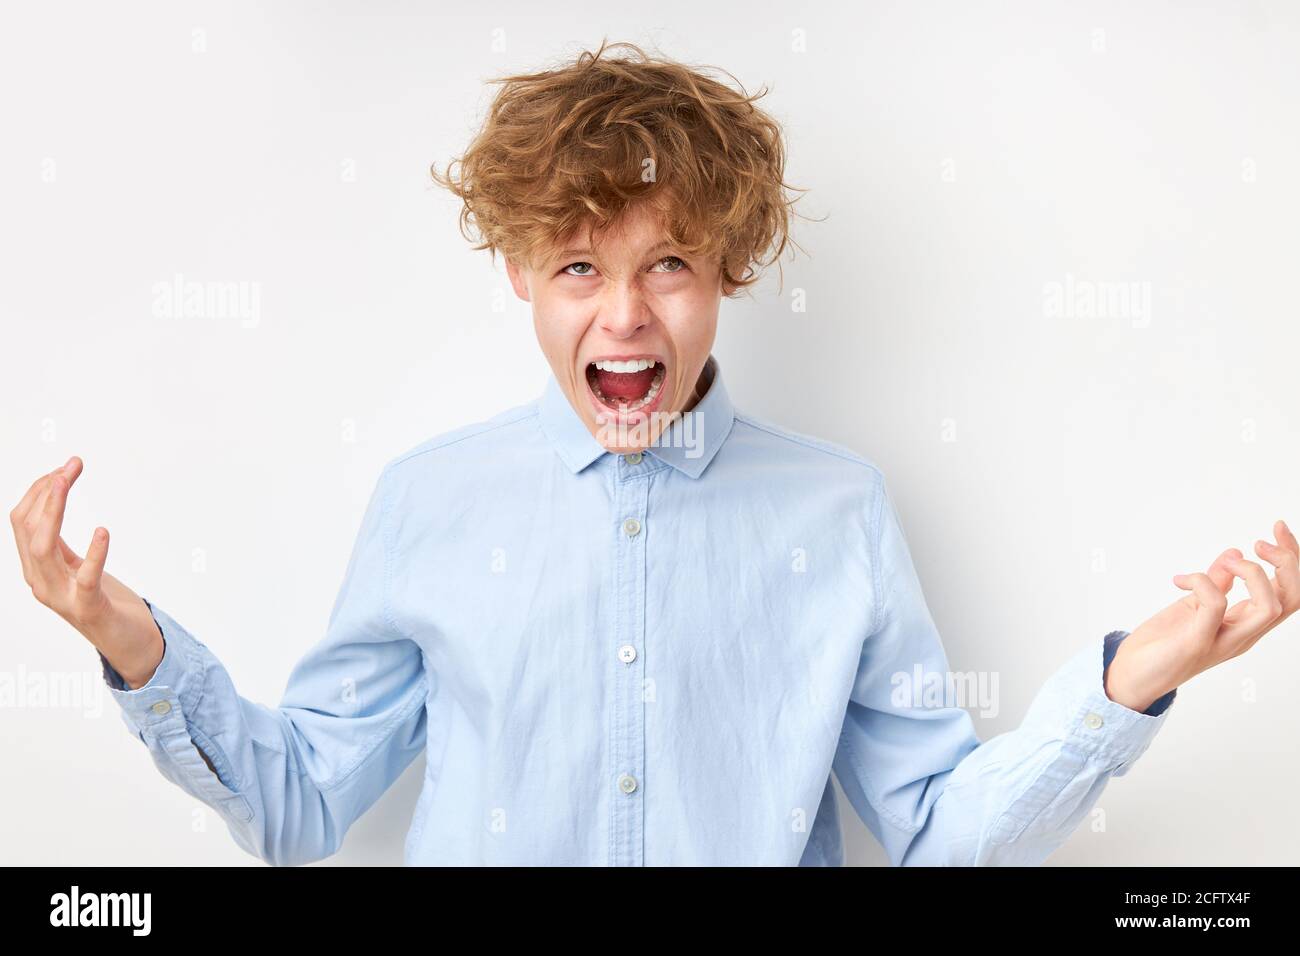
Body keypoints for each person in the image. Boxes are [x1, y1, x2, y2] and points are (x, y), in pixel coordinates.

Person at [10, 41, 1297, 866]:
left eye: (667, 265)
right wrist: (136, 646)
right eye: (578, 266)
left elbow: (928, 831)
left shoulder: (836, 510)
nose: (623, 315)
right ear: (518, 271)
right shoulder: (431, 501)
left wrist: (1128, 681)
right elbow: (296, 807)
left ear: (727, 269)